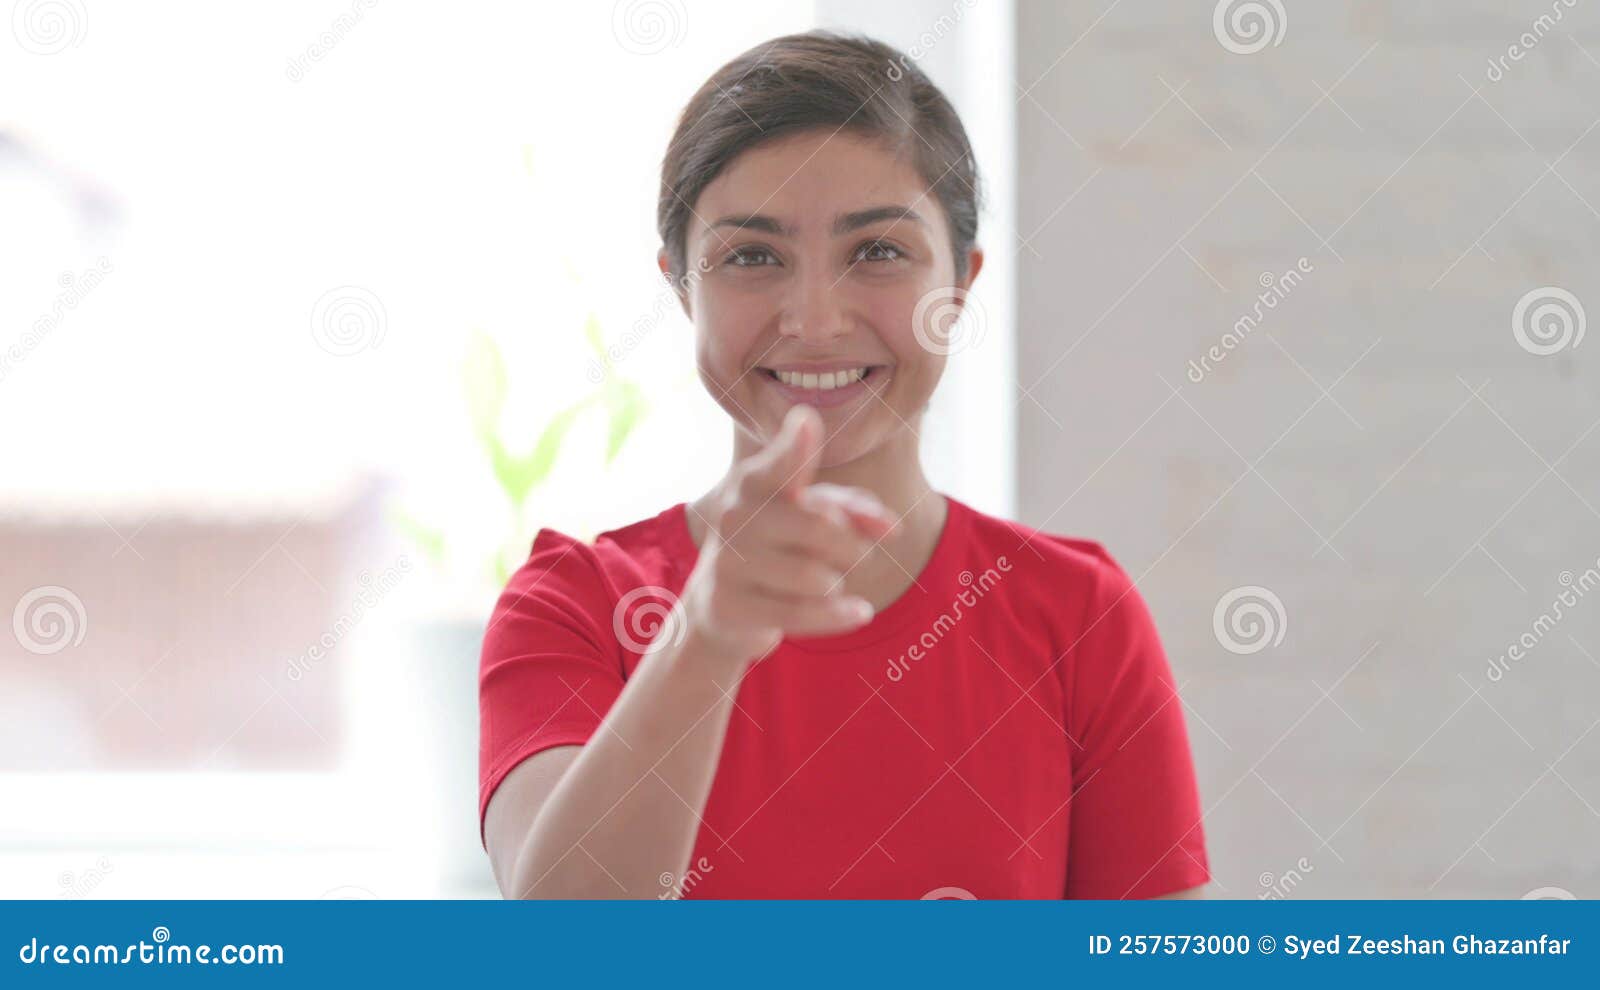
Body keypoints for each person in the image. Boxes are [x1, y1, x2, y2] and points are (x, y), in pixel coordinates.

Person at [478, 30, 1209, 899]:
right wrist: (705, 640)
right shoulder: (575, 608)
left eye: (878, 252)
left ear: (960, 284)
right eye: (753, 256)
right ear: (682, 287)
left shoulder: (1079, 616)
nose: (815, 319)